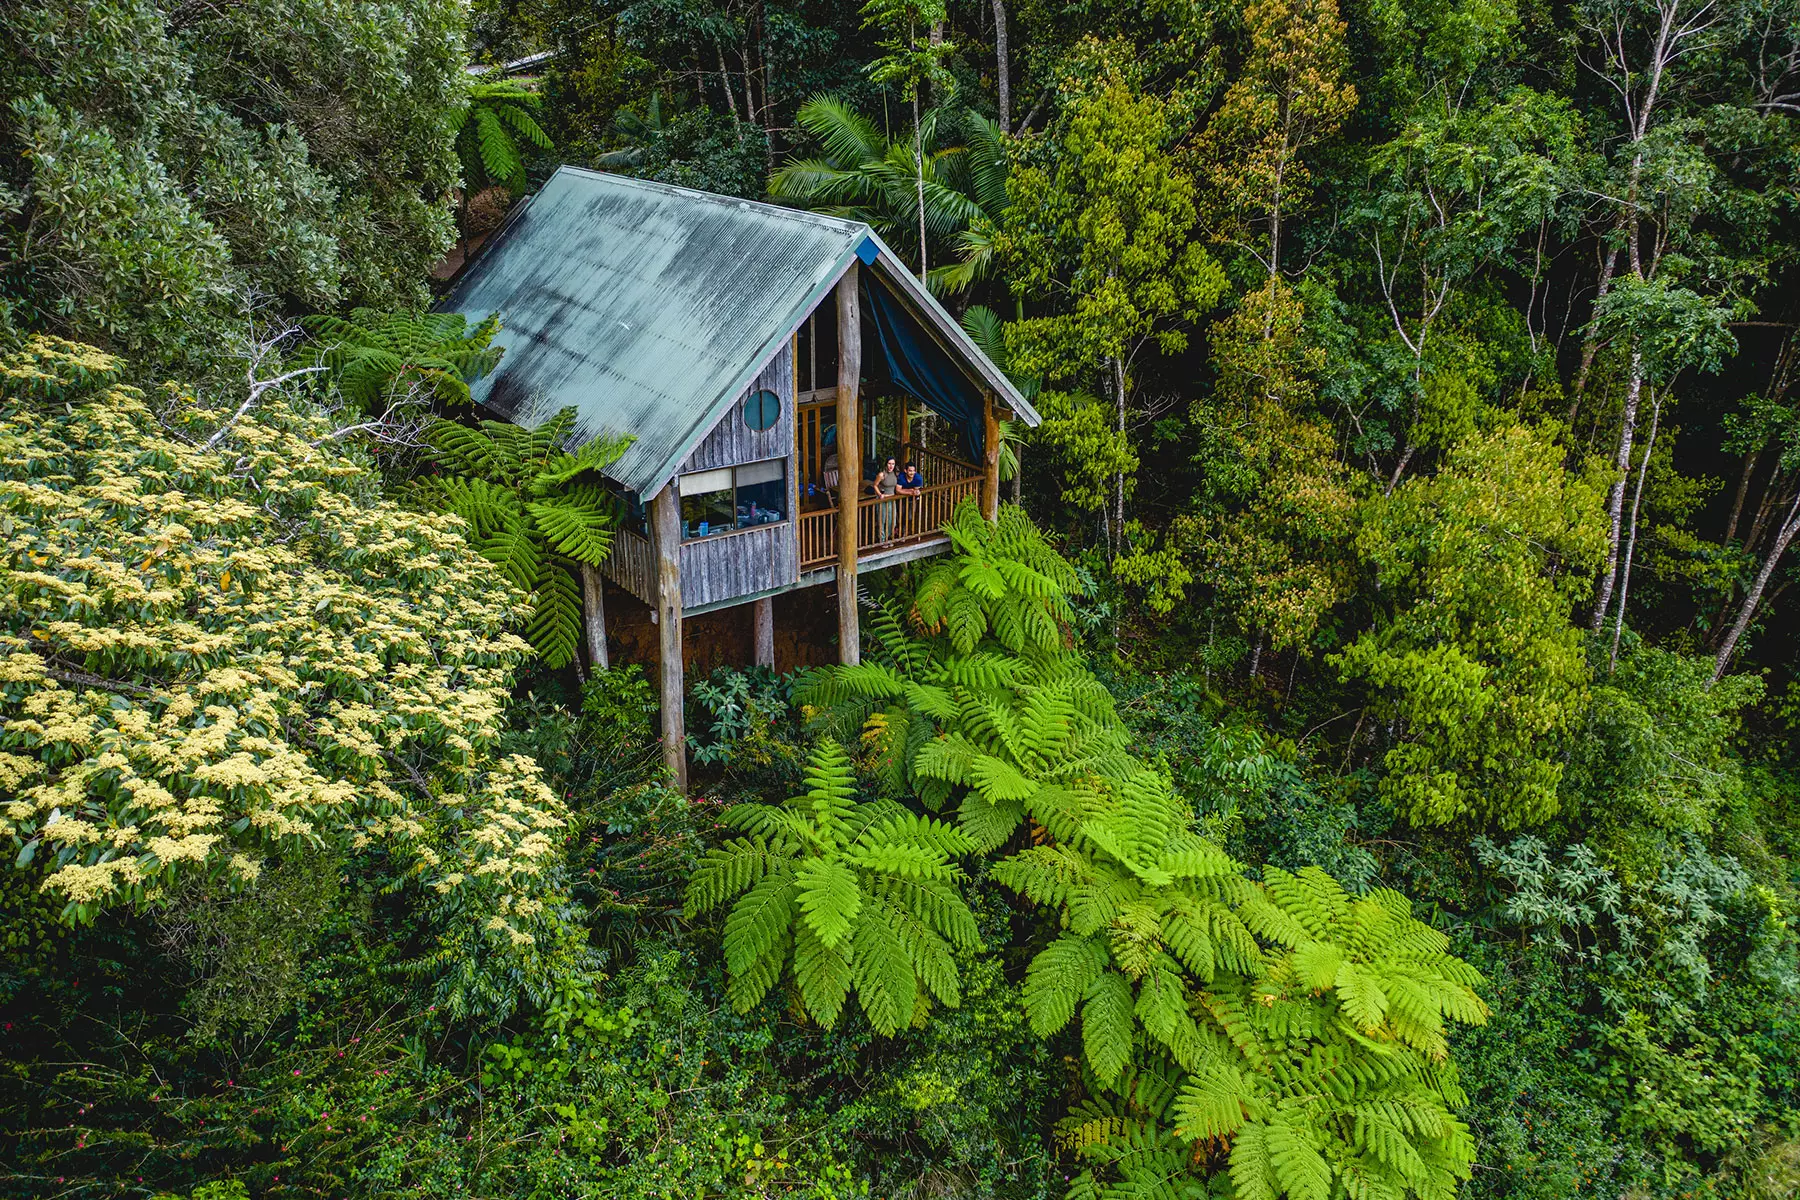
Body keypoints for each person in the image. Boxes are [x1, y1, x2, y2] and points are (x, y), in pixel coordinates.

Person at [873, 456, 901, 542]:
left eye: (893, 464)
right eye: (889, 463)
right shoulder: (882, 474)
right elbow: (875, 485)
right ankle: (882, 539)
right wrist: (880, 494)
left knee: (892, 520)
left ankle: (888, 537)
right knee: (882, 519)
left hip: (892, 498)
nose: (891, 466)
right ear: (886, 464)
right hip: (883, 499)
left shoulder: (896, 474)